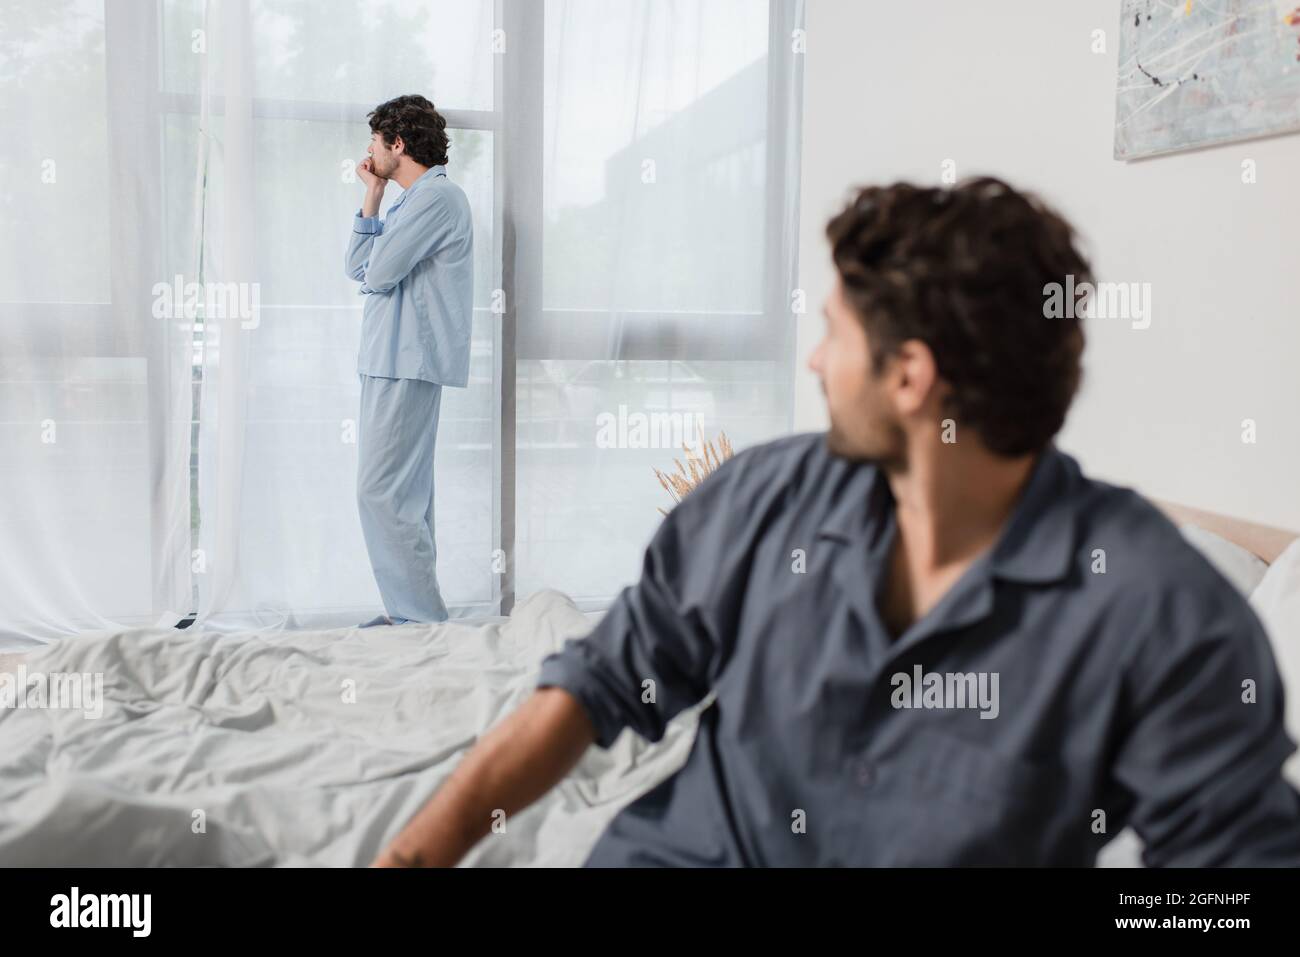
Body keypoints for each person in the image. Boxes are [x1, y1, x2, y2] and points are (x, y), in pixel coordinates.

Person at [374, 177, 1300, 865]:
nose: (815, 362)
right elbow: (593, 685)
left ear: (910, 377)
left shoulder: (1161, 614)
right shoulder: (761, 499)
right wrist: (414, 858)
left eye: (834, 333)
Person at [345, 94, 473, 626]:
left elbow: (377, 274)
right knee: (403, 496)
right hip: (390, 359)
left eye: (375, 142)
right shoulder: (407, 201)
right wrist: (373, 194)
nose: (370, 152)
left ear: (397, 144)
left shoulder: (437, 199)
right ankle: (412, 615)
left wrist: (377, 259)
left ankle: (419, 620)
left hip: (407, 359)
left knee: (382, 493)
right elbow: (357, 267)